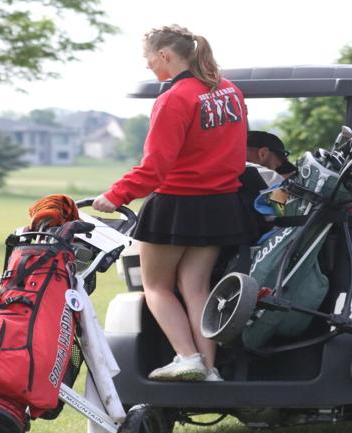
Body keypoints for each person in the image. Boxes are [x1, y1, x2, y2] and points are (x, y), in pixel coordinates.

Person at [92, 25, 249, 382]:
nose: (147, 65)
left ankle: (186, 356)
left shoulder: (175, 98)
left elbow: (155, 168)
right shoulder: (229, 91)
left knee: (156, 286)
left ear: (165, 55)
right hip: (220, 204)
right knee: (196, 287)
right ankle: (209, 370)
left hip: (177, 204)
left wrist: (113, 196)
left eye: (148, 58)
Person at [236, 130, 295, 240]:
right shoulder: (270, 176)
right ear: (262, 153)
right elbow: (281, 214)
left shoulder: (219, 171)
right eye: (276, 166)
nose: (277, 172)